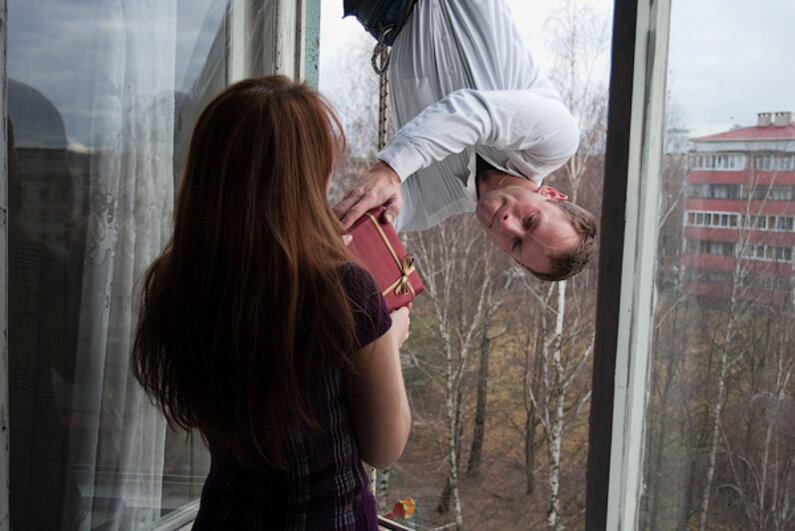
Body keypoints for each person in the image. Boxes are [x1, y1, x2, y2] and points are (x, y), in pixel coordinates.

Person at [131, 76, 412, 530]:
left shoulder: (177, 282)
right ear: (303, 177)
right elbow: (384, 447)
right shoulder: (344, 291)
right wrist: (389, 338)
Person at [335, 0, 597, 281]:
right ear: (550, 195)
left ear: (510, 257)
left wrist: (341, 248)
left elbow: (376, 217)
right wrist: (391, 168)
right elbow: (474, 112)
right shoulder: (555, 141)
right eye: (530, 221)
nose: (509, 226)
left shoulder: (427, 204)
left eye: (517, 244)